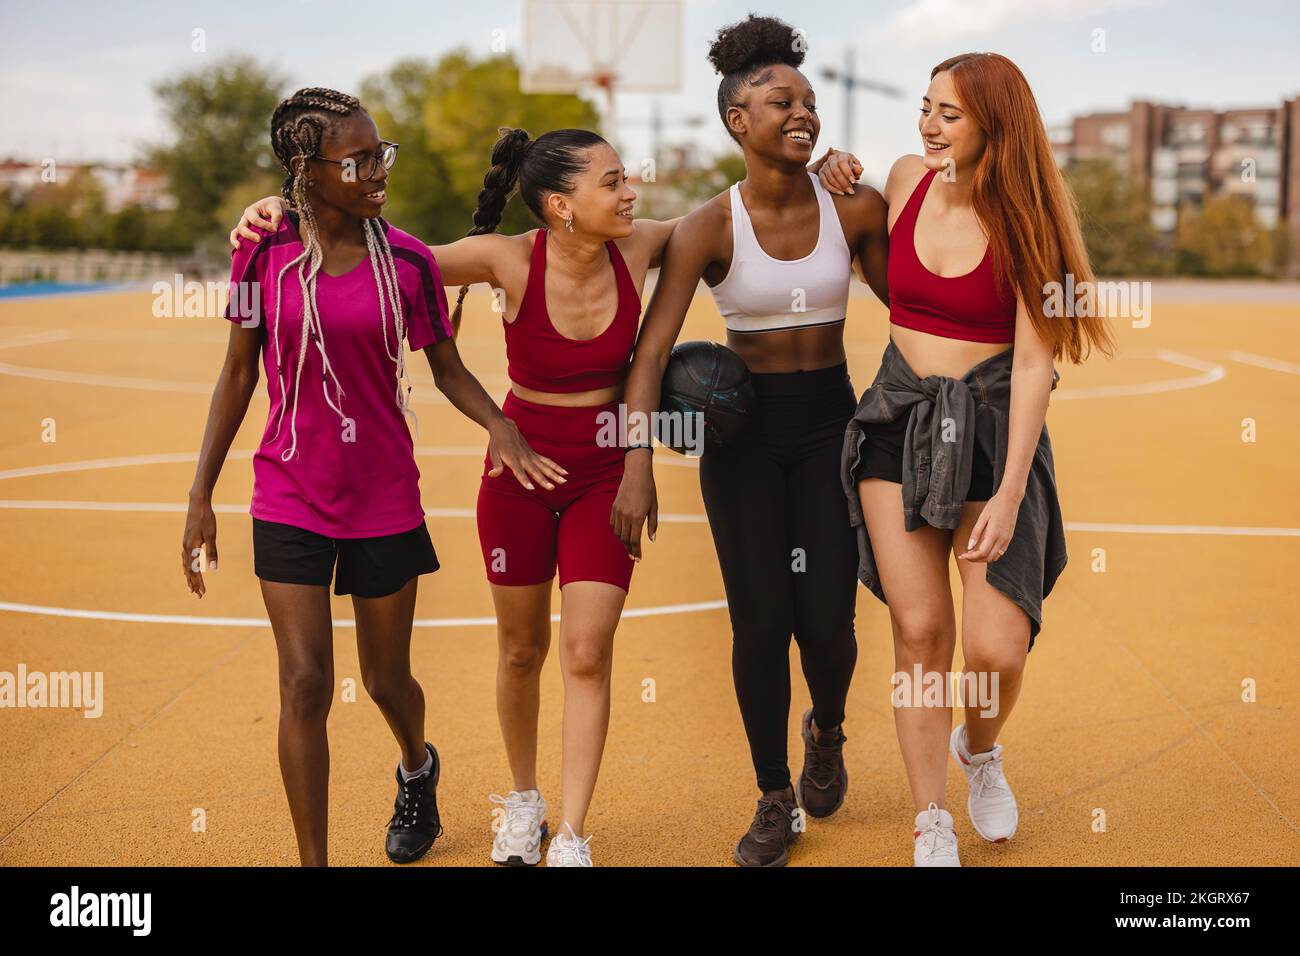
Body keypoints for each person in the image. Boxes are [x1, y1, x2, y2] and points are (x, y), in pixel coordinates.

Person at [231, 126, 677, 866]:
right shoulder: (503, 258)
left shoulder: (644, 244)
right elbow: (381, 254)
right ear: (561, 205)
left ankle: (570, 832)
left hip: (603, 472)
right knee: (519, 650)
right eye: (613, 181)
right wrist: (276, 210)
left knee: (587, 651)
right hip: (520, 475)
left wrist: (825, 169)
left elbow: (735, 213)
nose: (631, 191)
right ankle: (524, 800)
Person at [185, 88, 550, 867]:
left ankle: (417, 766)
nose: (377, 169)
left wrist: (502, 424)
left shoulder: (410, 260)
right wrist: (199, 495)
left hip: (384, 496)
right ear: (303, 168)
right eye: (357, 159)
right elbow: (237, 374)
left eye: (380, 152)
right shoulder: (260, 251)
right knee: (306, 683)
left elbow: (447, 370)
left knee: (386, 680)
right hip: (288, 491)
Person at [611, 14, 890, 867]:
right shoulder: (708, 226)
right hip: (742, 436)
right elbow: (652, 353)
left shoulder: (854, 205)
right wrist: (637, 467)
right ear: (738, 119)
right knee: (762, 622)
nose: (802, 112)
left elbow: (919, 308)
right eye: (781, 102)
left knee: (830, 624)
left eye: (808, 100)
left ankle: (829, 729)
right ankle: (774, 794)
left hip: (830, 425)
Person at [839, 53, 1115, 865]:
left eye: (949, 114)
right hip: (898, 424)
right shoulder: (900, 179)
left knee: (995, 648)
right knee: (921, 632)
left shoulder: (1027, 224)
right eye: (925, 107)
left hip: (993, 437)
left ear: (995, 125)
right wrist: (830, 166)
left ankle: (981, 748)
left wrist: (1011, 492)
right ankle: (931, 817)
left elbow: (1035, 366)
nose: (927, 124)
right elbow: (839, 210)